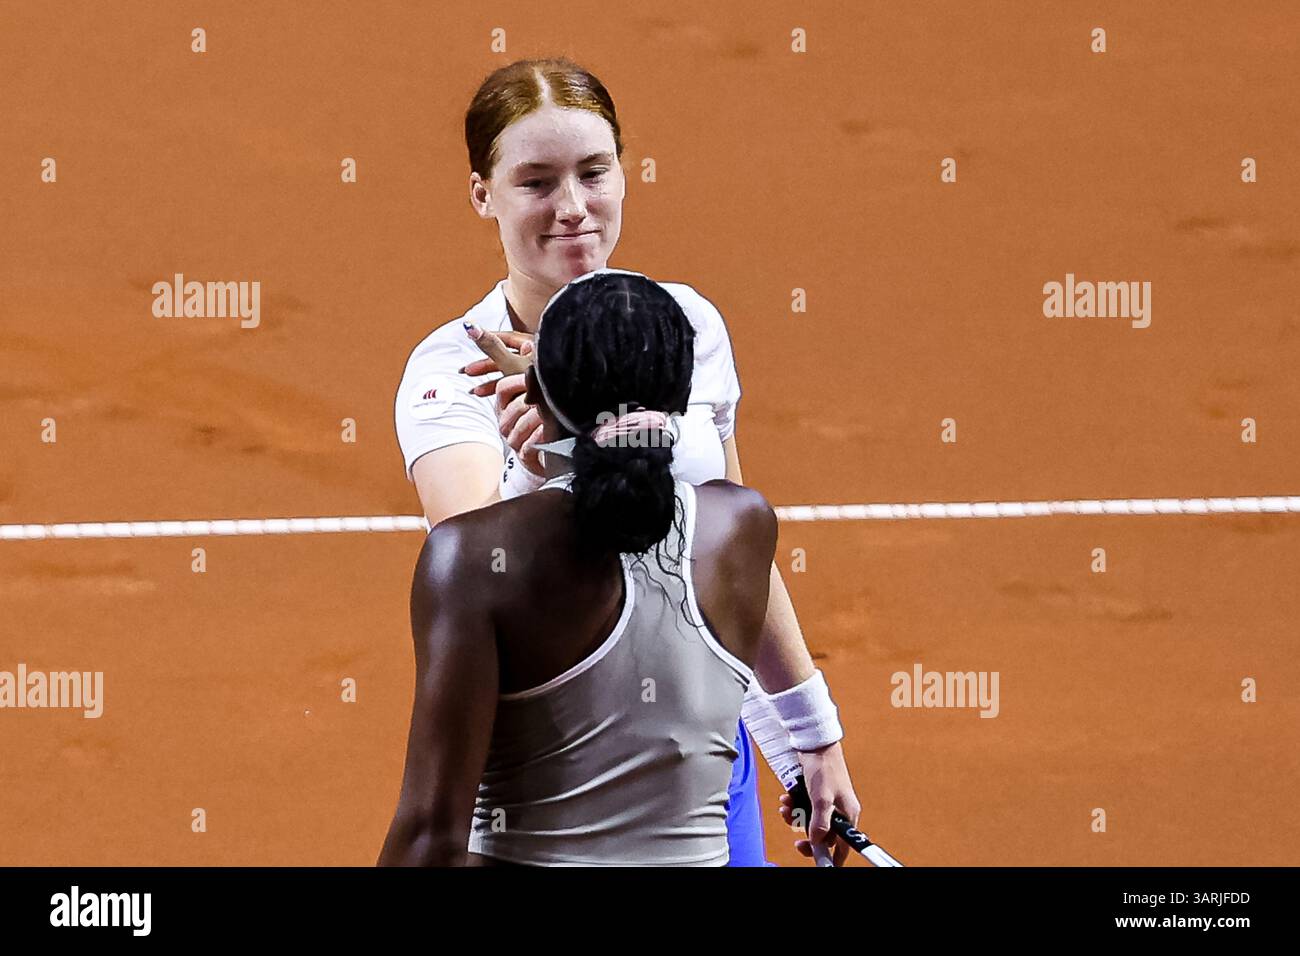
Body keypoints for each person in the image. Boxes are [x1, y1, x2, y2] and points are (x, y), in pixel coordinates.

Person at [393, 57, 859, 865]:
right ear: (483, 194)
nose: (573, 209)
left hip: (701, 742)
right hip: (553, 760)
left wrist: (808, 736)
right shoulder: (450, 371)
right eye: (536, 182)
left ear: (624, 171)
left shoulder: (686, 328)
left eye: (593, 173)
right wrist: (542, 460)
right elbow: (486, 566)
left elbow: (736, 541)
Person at [379, 272, 778, 865]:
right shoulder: (743, 526)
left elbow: (431, 836)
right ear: (682, 395)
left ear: (533, 396)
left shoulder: (472, 557)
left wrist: (533, 456)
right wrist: (806, 742)